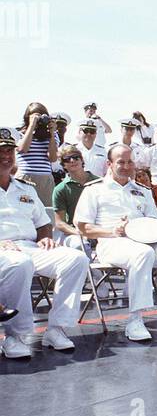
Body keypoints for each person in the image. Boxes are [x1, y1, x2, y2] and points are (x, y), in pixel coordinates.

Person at [74, 143, 157, 342]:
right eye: (121, 162)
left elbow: (154, 221)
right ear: (110, 164)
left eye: (130, 162)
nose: (126, 166)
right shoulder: (94, 190)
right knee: (142, 254)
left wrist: (148, 230)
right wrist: (112, 231)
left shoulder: (142, 191)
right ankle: (135, 319)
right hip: (111, 243)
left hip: (145, 241)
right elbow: (83, 227)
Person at [0, 126, 90, 357]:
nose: (6, 156)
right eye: (1, 151)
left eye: (9, 150)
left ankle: (56, 328)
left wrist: (45, 239)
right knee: (19, 263)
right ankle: (15, 336)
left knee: (76, 259)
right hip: (4, 249)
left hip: (30, 246)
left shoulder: (25, 189)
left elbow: (42, 223)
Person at [52, 145, 99, 248]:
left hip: (101, 230)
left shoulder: (100, 182)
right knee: (79, 245)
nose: (72, 160)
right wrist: (81, 233)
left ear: (82, 160)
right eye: (67, 159)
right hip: (76, 233)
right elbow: (60, 223)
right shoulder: (60, 189)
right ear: (63, 165)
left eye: (75, 157)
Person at [15, 102, 60, 206]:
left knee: (46, 212)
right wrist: (31, 125)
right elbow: (22, 149)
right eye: (35, 115)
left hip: (45, 179)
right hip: (25, 178)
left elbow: (52, 158)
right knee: (24, 209)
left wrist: (52, 134)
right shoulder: (19, 133)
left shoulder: (52, 134)